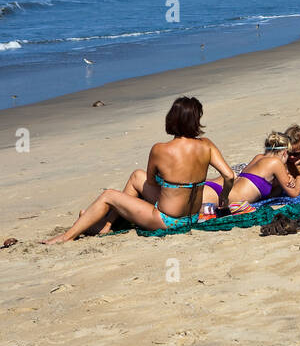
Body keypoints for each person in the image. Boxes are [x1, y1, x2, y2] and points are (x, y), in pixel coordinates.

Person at [44, 96, 234, 243]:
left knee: (109, 194)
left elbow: (151, 182)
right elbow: (228, 175)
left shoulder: (160, 149)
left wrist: (170, 180)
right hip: (191, 217)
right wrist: (224, 197)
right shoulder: (207, 145)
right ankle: (108, 224)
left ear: (173, 119)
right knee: (136, 176)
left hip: (167, 220)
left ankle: (66, 237)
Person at [204, 131, 300, 208]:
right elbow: (294, 194)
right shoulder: (275, 163)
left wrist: (280, 183)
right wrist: (299, 178)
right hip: (223, 197)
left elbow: (265, 193)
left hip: (215, 188)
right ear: (284, 153)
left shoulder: (258, 157)